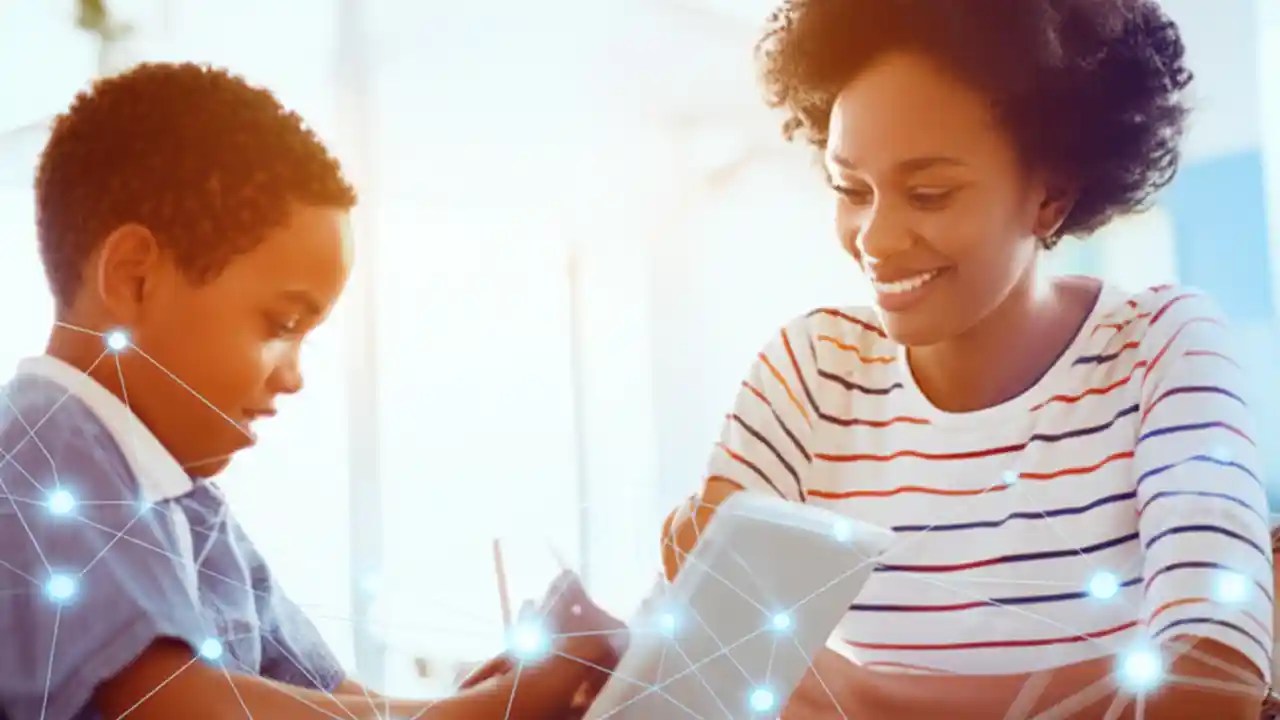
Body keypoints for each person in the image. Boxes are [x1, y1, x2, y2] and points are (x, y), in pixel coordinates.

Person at [662, 1, 1273, 718]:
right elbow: (704, 672)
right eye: (851, 189)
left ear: (1050, 196)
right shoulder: (812, 373)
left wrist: (864, 696)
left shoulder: (1159, 349)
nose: (875, 239)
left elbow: (1214, 681)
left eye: (929, 194)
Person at [0, 62, 620, 720]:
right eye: (281, 325)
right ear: (134, 278)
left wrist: (483, 698)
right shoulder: (43, 448)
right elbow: (185, 708)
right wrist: (500, 707)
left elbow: (339, 703)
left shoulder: (192, 509)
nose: (293, 376)